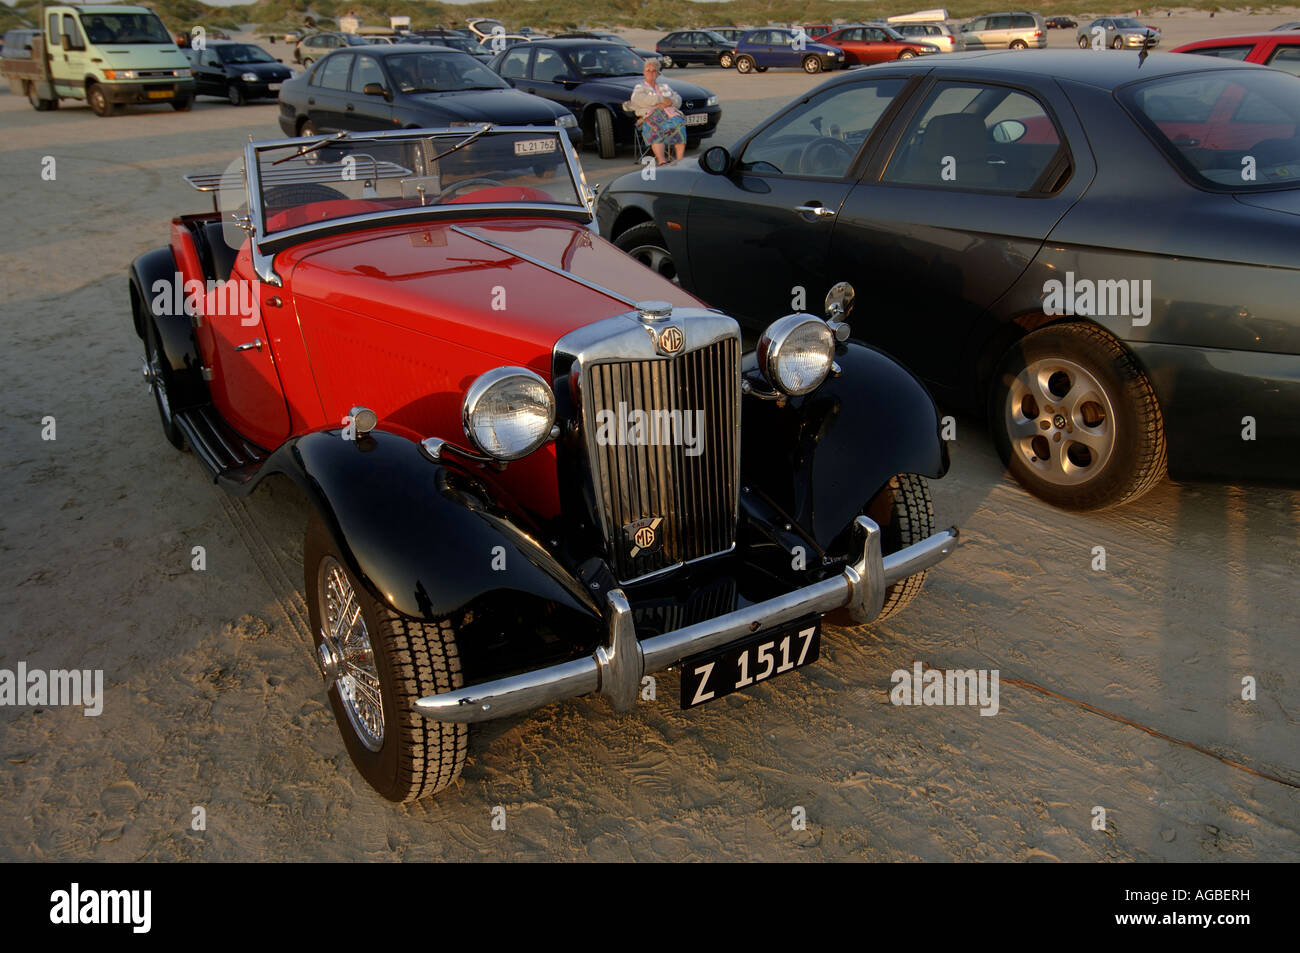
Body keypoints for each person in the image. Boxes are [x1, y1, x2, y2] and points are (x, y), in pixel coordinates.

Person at [629, 59, 687, 165]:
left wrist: (670, 102)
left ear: (658, 73)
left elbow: (677, 99)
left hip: (669, 114)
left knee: (679, 124)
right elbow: (639, 100)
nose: (651, 73)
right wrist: (660, 100)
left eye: (654, 71)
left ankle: (680, 161)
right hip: (650, 116)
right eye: (648, 70)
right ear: (644, 73)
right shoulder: (640, 88)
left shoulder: (665, 87)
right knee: (656, 127)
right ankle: (662, 161)